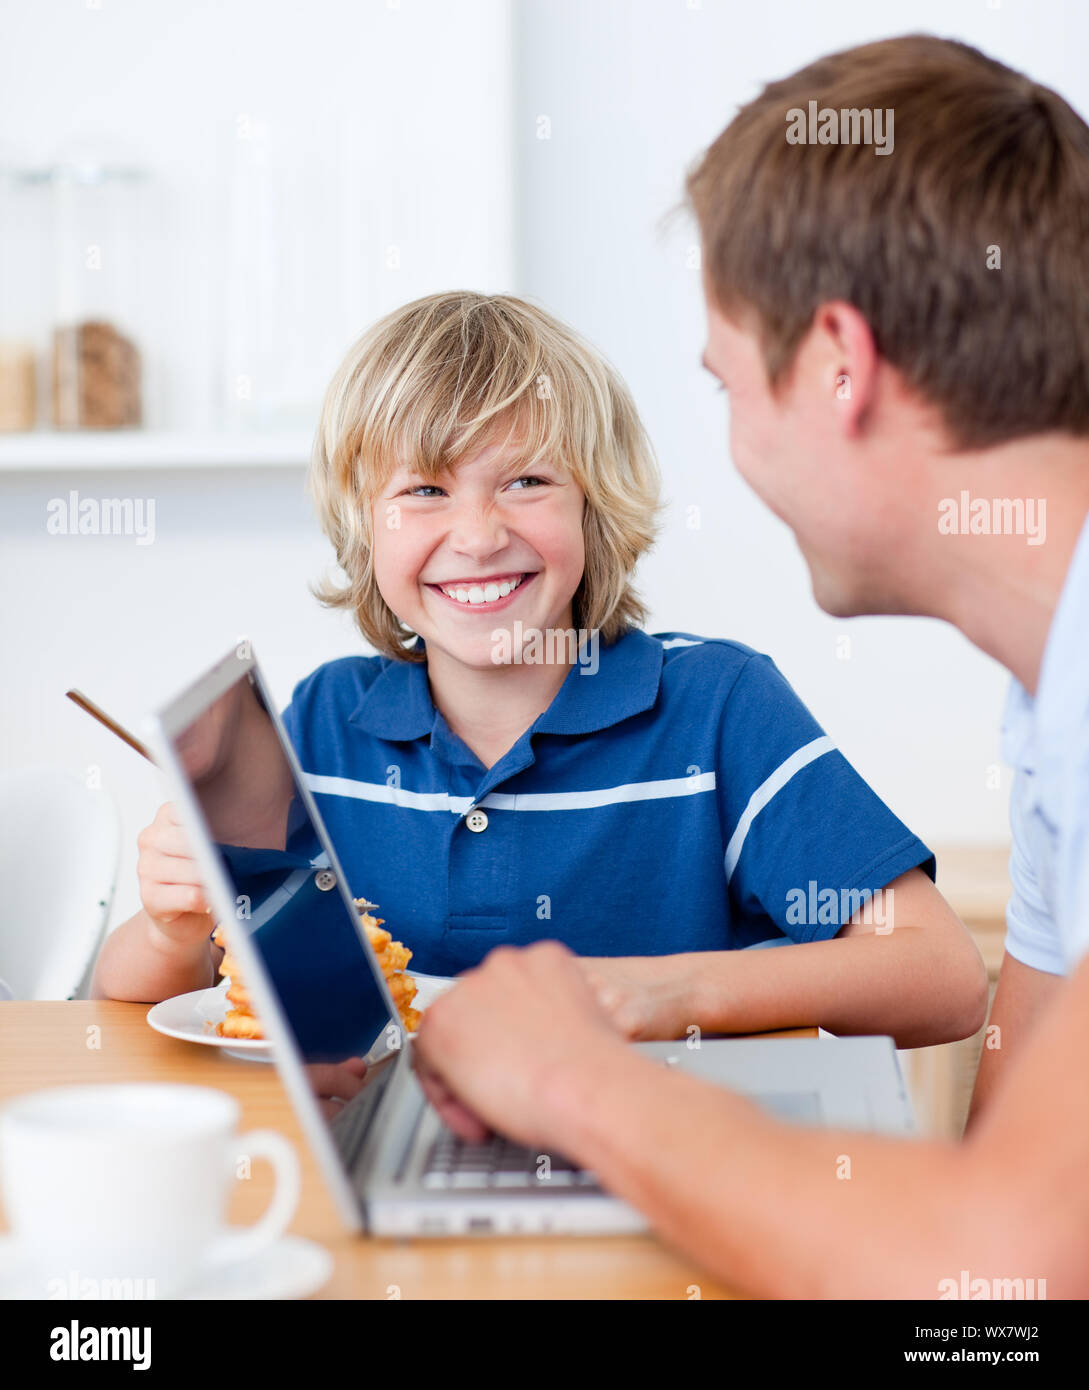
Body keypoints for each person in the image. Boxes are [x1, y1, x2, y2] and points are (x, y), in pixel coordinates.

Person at [412, 34, 1089, 1297]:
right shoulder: (1052, 704)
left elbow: (1011, 1259)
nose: (728, 442)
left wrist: (566, 1070)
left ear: (841, 365)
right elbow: (1003, 1270)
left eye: (726, 381)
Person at [92, 291, 983, 1049]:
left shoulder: (714, 708)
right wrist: (174, 923)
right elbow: (132, 993)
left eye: (525, 482)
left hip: (664, 1169)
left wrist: (668, 994)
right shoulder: (326, 724)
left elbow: (937, 974)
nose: (477, 536)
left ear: (595, 505)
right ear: (365, 529)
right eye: (424, 491)